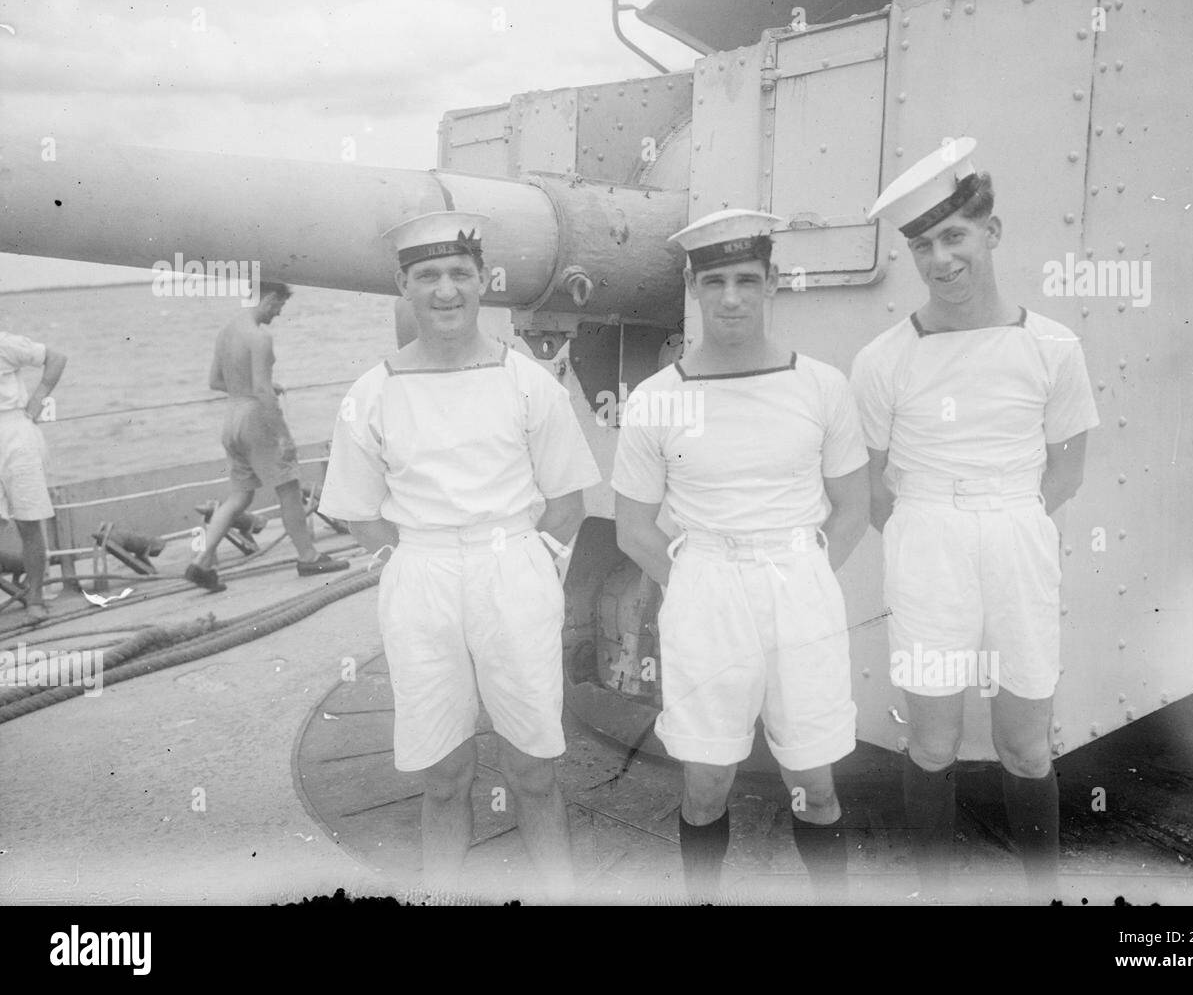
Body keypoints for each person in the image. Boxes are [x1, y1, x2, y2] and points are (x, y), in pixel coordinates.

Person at [318, 212, 601, 901]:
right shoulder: (372, 393)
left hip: (514, 567)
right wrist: (416, 567)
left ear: (482, 281)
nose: (445, 290)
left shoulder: (528, 382)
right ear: (403, 287)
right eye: (428, 276)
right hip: (422, 578)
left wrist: (534, 573)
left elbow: (568, 501)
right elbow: (357, 510)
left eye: (459, 274)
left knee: (534, 769)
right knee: (443, 777)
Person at [850, 137, 1099, 901]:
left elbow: (1066, 470)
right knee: (932, 739)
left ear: (992, 232)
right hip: (926, 539)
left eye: (954, 236)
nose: (940, 260)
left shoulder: (1053, 347)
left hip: (1018, 535)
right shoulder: (883, 359)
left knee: (1025, 743)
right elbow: (873, 488)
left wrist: (1001, 515)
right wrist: (938, 528)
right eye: (922, 245)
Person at [612, 209, 871, 903]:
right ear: (695, 288)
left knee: (814, 782)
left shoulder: (821, 385)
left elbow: (853, 506)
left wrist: (805, 578)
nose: (731, 297)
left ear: (772, 284)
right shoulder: (657, 400)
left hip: (799, 585)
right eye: (716, 281)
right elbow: (633, 528)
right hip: (706, 588)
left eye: (747, 280)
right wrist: (697, 582)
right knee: (706, 781)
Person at [186, 280, 348, 591]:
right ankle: (308, 555)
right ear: (270, 298)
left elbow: (216, 382)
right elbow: (261, 391)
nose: (277, 314)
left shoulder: (227, 331)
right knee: (288, 488)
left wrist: (253, 387)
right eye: (279, 306)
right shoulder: (259, 337)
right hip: (256, 421)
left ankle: (201, 561)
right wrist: (282, 434)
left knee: (238, 496)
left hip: (232, 419)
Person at [0, 331, 67, 622]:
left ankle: (36, 598)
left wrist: (39, 397)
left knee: (29, 520)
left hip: (15, 431)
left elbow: (55, 358)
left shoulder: (4, 343)